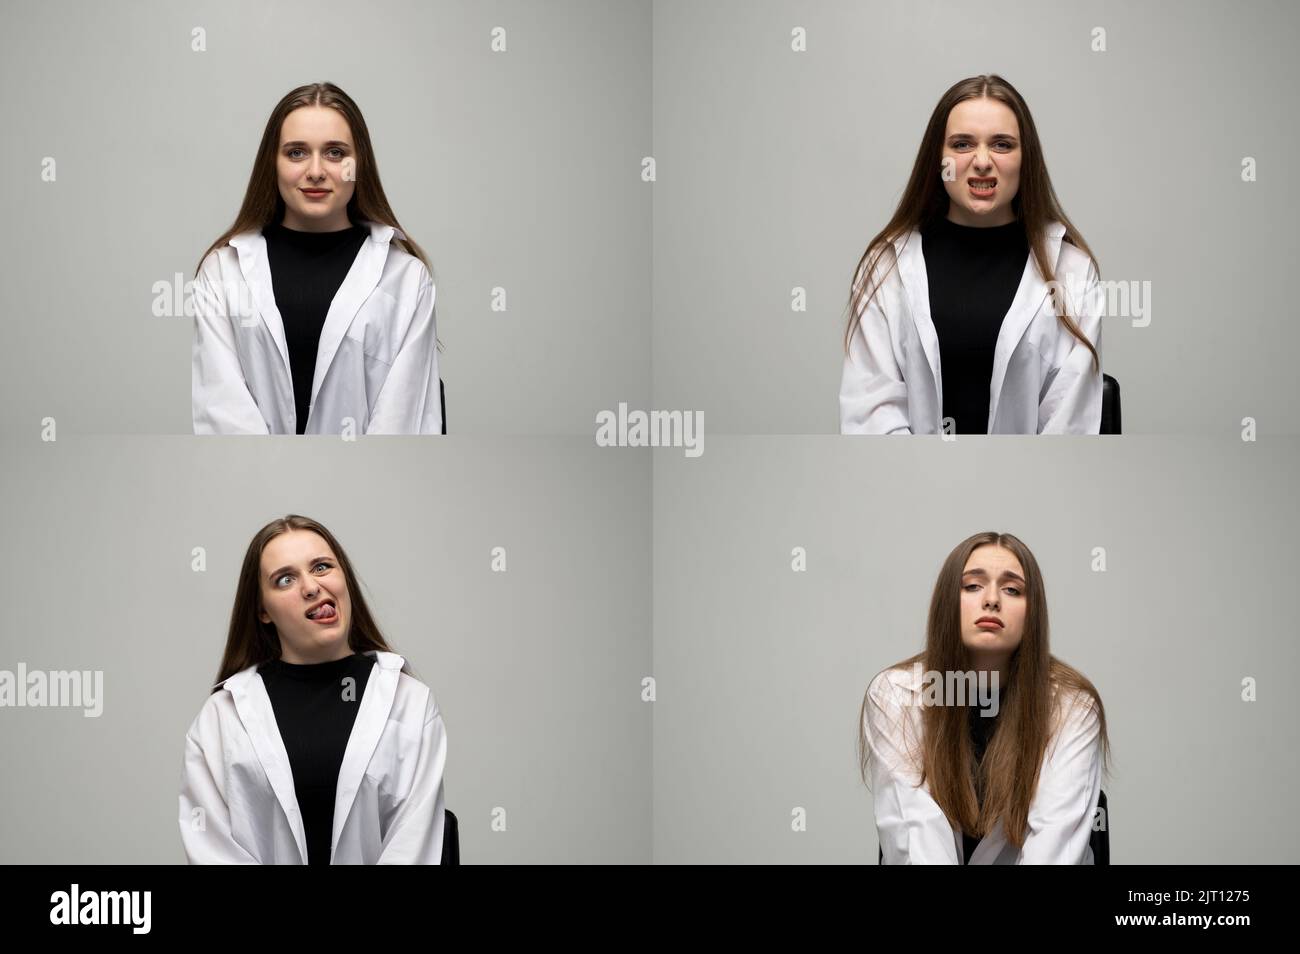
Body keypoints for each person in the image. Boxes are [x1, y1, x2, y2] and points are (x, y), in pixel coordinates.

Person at [840, 74, 1104, 434]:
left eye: (1002, 145)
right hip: (905, 487)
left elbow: (1068, 427)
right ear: (939, 159)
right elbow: (871, 415)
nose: (982, 161)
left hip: (1033, 488)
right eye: (962, 145)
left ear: (1026, 159)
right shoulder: (885, 268)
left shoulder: (1073, 273)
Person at [178, 514, 447, 863]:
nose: (310, 586)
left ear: (344, 579)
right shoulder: (221, 718)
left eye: (321, 567)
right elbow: (212, 849)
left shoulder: (409, 702)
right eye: (285, 579)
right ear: (263, 610)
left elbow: (413, 846)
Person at [191, 82, 443, 434]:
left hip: (371, 485)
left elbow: (402, 422)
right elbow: (223, 411)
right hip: (251, 484)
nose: (315, 171)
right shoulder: (221, 273)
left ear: (360, 164)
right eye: (296, 152)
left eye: (335, 153)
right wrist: (271, 486)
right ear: (273, 164)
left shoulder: (407, 278)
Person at [860, 531, 1110, 863]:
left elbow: (1051, 851)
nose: (992, 599)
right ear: (948, 601)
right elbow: (918, 839)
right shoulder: (897, 696)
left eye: (1012, 589)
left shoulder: (1071, 706)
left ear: (1032, 612)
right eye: (972, 586)